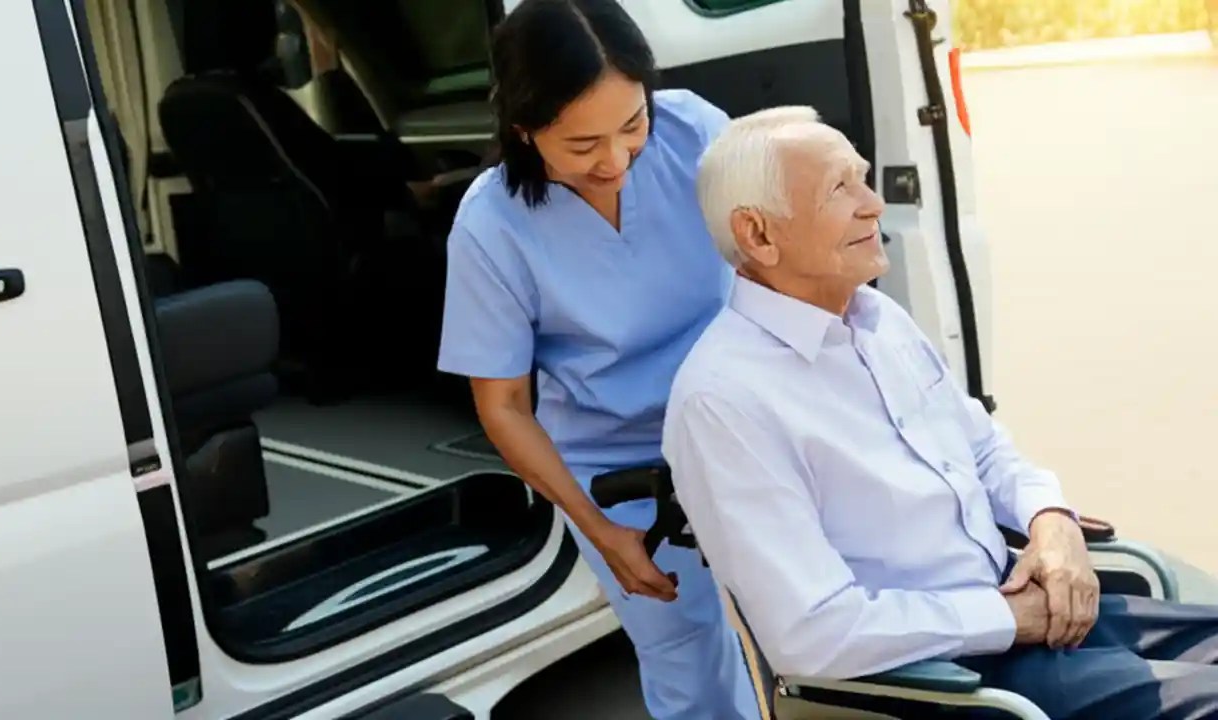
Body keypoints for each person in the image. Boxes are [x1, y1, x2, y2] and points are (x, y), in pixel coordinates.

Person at [661, 106, 1218, 719]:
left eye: (862, 178)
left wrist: (1049, 519)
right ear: (758, 235)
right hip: (947, 675)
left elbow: (982, 448)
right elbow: (813, 632)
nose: (872, 204)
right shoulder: (723, 401)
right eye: (839, 189)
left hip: (1020, 611)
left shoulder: (877, 319)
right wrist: (1006, 619)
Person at [434, 0, 759, 717]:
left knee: (832, 624)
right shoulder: (491, 226)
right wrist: (598, 527)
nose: (614, 160)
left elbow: (777, 255)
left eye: (631, 125)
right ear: (524, 127)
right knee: (690, 669)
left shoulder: (695, 129)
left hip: (743, 420)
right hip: (623, 470)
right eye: (582, 146)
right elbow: (505, 407)